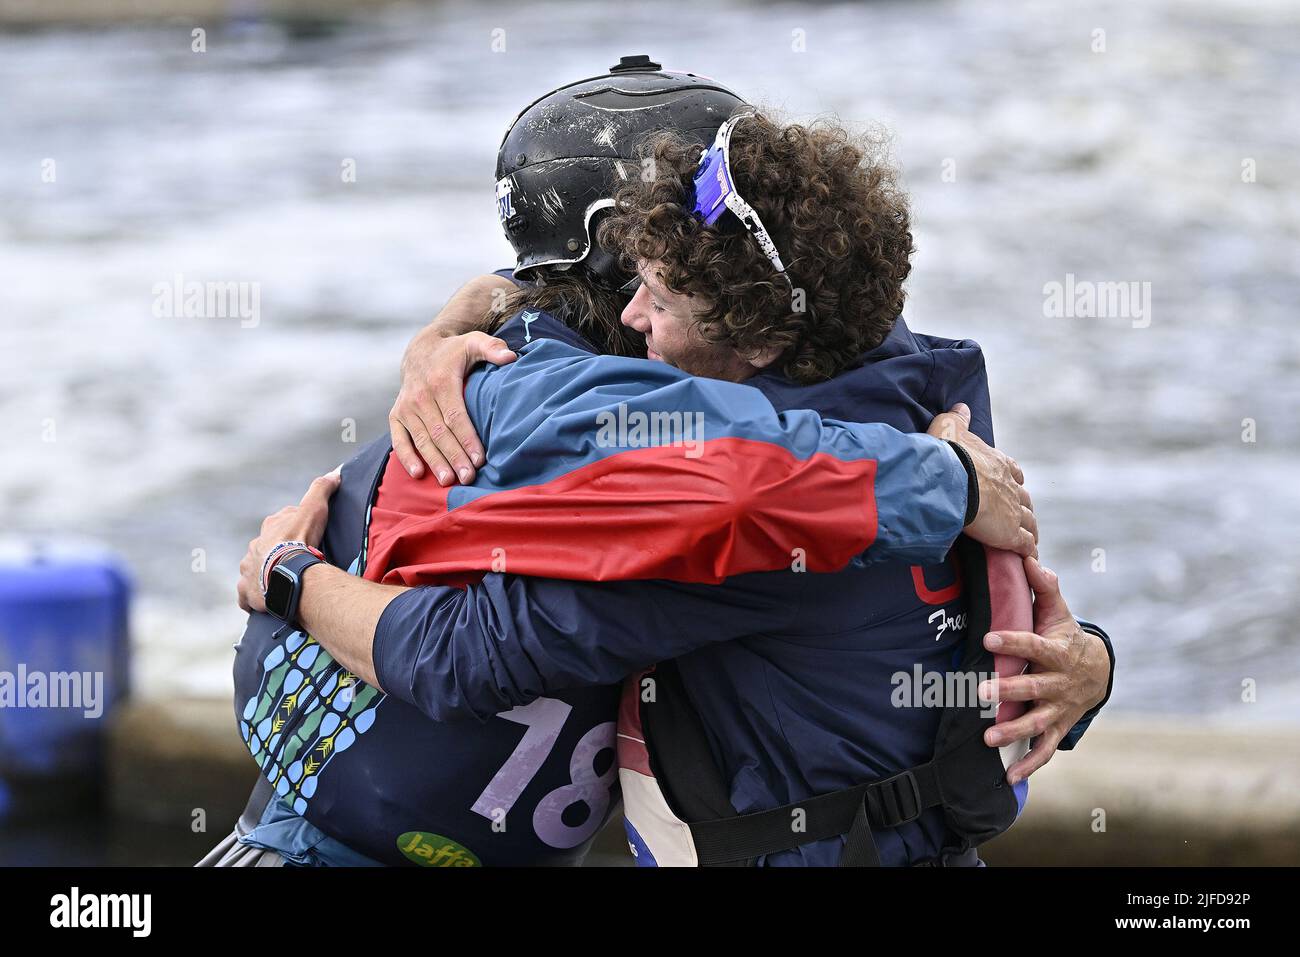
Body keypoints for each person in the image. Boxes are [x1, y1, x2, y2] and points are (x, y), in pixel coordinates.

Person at [217, 63, 1111, 867]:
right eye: (630, 280)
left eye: (664, 290)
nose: (635, 317)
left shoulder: (750, 514)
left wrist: (287, 575)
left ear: (754, 328)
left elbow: (462, 656)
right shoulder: (917, 394)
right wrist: (1094, 662)